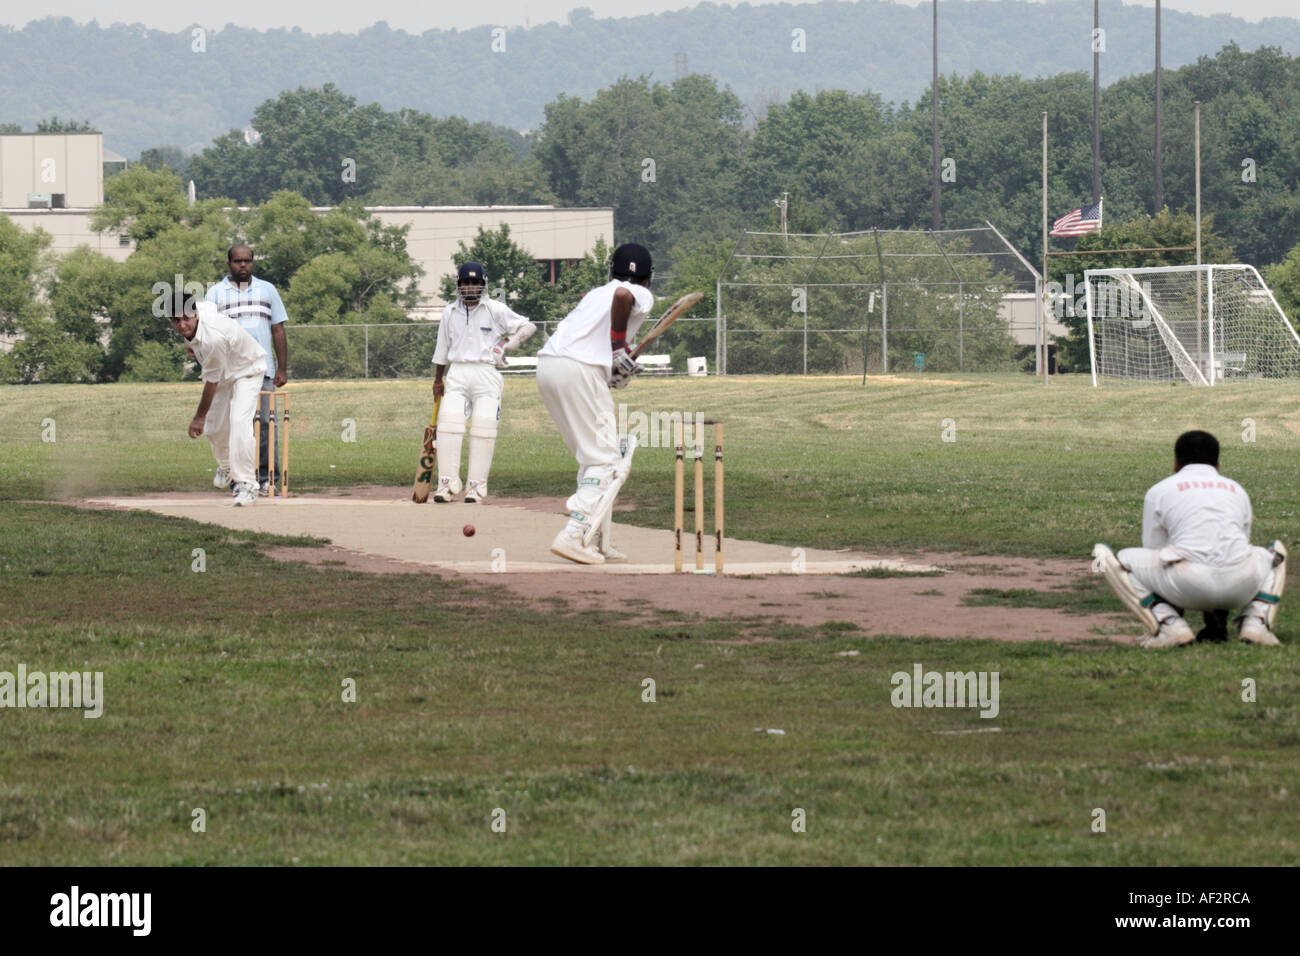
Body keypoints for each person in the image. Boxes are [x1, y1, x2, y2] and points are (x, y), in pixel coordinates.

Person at [1092, 430, 1286, 648]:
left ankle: (1170, 626)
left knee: (1111, 556)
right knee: (1275, 554)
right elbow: (1236, 549)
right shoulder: (1237, 490)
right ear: (1218, 464)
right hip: (1242, 585)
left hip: (1187, 584)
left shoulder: (1160, 490)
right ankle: (1256, 622)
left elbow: (1156, 549)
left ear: (1176, 462)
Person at [536, 242, 655, 564]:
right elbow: (623, 297)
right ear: (648, 278)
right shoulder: (635, 291)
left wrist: (615, 365)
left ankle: (597, 539)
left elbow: (596, 337)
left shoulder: (594, 294)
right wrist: (618, 348)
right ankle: (573, 534)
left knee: (593, 457)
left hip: (549, 365)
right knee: (606, 459)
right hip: (579, 370)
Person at [430, 261, 536, 503]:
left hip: (486, 373)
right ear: (459, 285)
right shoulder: (449, 312)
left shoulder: (494, 309)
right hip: (456, 373)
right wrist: (438, 380)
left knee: (483, 427)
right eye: (466, 283)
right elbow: (442, 349)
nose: (470, 287)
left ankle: (476, 487)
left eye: (474, 283)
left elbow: (528, 326)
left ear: (482, 285)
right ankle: (447, 483)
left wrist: (507, 345)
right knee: (448, 425)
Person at [167, 293, 267, 506]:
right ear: (170, 320)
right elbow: (211, 305)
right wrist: (189, 342)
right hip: (224, 373)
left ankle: (247, 485)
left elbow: (211, 383)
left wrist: (198, 418)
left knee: (239, 424)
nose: (182, 324)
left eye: (186, 318)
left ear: (195, 314)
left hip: (248, 369)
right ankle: (227, 465)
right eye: (176, 320)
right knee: (214, 430)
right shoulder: (202, 309)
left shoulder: (213, 338)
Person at [205, 244, 289, 496]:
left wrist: (282, 367)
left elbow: (278, 329)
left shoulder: (267, 290)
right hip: (230, 373)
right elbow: (206, 331)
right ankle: (238, 480)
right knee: (235, 426)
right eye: (238, 261)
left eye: (248, 261)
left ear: (253, 263)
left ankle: (266, 477)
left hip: (262, 369)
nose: (243, 265)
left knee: (265, 424)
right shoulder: (216, 293)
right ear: (229, 263)